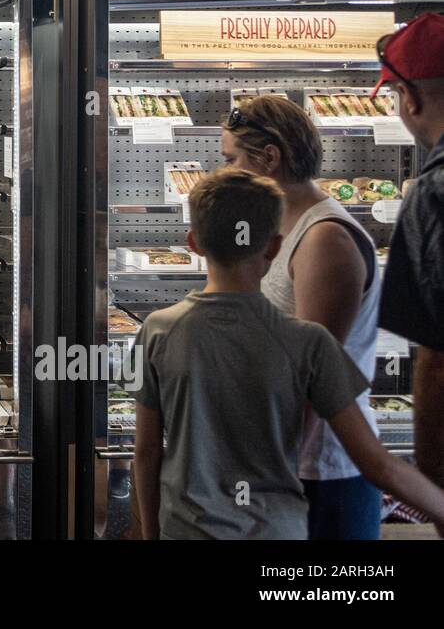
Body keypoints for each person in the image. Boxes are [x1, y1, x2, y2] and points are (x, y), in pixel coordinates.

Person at [132, 168, 444, 539]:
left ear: (193, 243)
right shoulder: (310, 342)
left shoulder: (156, 331)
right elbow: (378, 464)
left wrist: (150, 532)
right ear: (275, 246)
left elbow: (147, 451)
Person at [221, 93, 383, 539]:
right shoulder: (284, 229)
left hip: (317, 475)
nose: (223, 173)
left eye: (231, 160)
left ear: (269, 158)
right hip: (285, 466)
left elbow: (311, 381)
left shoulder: (324, 240)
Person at [373, 12, 444, 492]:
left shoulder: (434, 191)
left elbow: (437, 357)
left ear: (411, 98)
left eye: (396, 96)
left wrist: (433, 477)